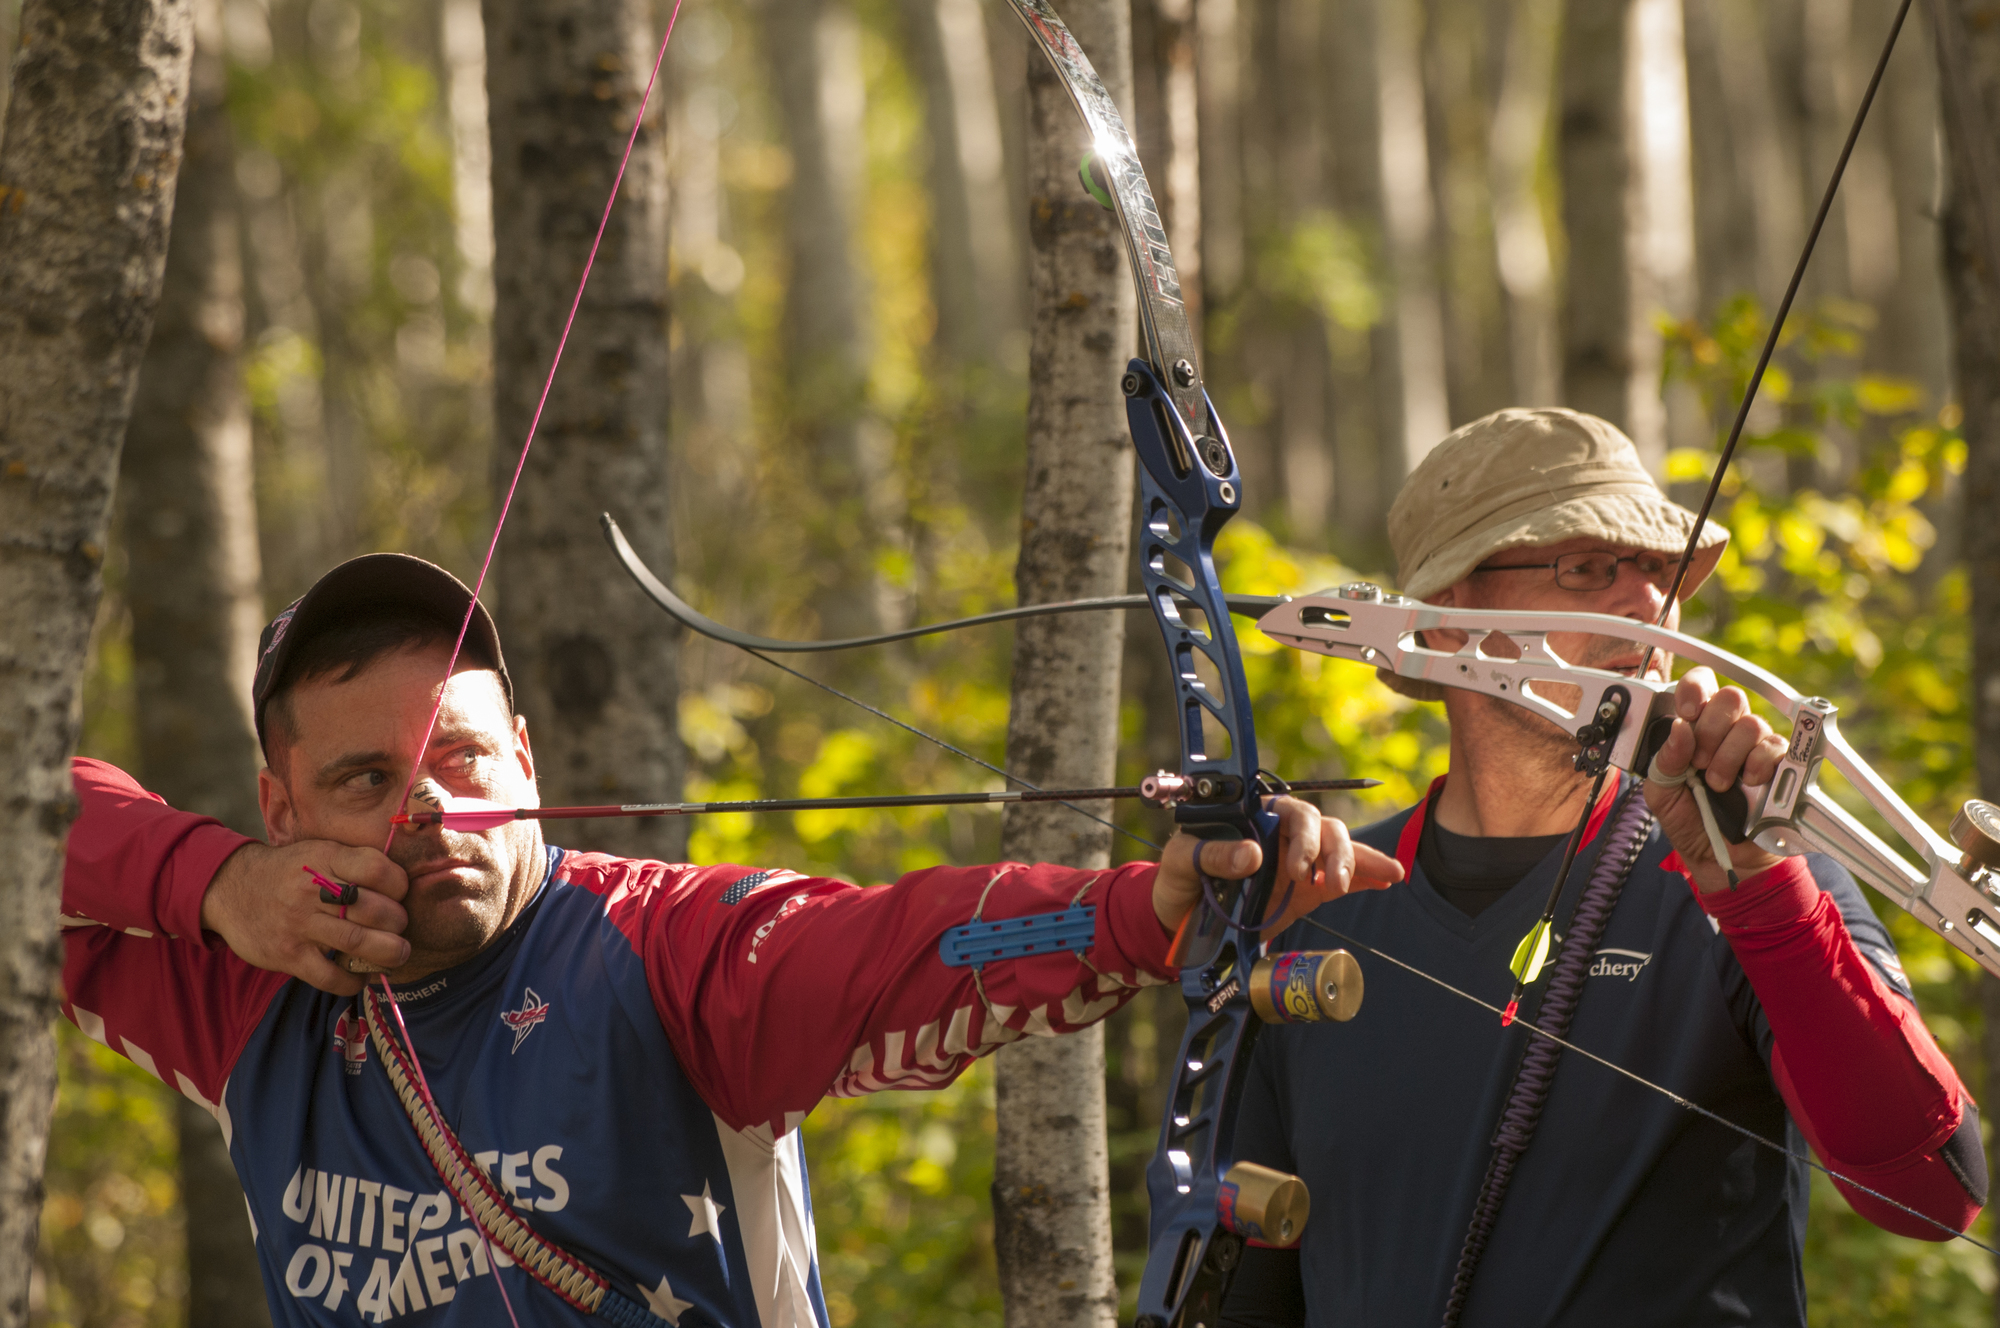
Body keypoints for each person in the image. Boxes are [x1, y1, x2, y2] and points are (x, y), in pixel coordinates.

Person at [61, 552, 1400, 1328]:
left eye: (460, 759)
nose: (429, 809)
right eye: (366, 781)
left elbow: (895, 947)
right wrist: (212, 881)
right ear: (282, 812)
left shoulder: (657, 950)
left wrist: (1145, 911)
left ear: (523, 755)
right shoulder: (243, 988)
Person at [1220, 408, 1985, 1328]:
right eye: (1586, 568)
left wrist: (1759, 895)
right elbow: (1246, 1284)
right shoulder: (1320, 903)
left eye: (1661, 569)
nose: (1647, 603)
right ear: (1448, 619)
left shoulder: (1757, 873)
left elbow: (1933, 1194)